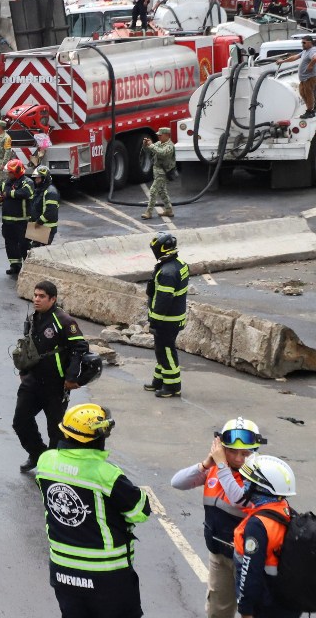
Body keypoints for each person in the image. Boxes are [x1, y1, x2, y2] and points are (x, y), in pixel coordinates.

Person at [36, 404, 151, 618]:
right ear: (98, 437)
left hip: (63, 570)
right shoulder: (106, 475)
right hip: (107, 575)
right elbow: (140, 511)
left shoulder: (45, 462)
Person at [171, 418, 267, 618]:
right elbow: (177, 482)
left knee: (252, 611)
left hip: (249, 559)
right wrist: (207, 463)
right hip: (220, 555)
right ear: (222, 449)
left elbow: (238, 498)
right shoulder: (215, 469)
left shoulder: (259, 478)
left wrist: (222, 465)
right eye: (232, 451)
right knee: (218, 611)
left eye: (246, 453)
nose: (239, 458)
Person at [15, 281, 89, 472]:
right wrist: (24, 372)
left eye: (41, 296)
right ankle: (37, 455)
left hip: (55, 385)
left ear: (52, 299)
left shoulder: (64, 321)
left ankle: (54, 467)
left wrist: (72, 378)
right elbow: (28, 347)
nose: (36, 300)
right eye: (35, 295)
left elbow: (79, 347)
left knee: (55, 430)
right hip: (33, 380)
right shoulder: (34, 318)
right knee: (21, 421)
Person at [234, 454, 300, 618]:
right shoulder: (287, 511)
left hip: (267, 606)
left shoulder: (258, 524)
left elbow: (251, 571)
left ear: (261, 487)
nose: (245, 483)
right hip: (290, 604)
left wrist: (245, 610)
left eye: (249, 481)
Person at [146, 231, 189, 398]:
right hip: (175, 317)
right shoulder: (179, 264)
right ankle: (159, 381)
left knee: (166, 351)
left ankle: (172, 386)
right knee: (161, 350)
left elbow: (163, 300)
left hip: (166, 320)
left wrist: (154, 321)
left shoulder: (167, 272)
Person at [0, 158, 35, 276]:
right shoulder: (6, 183)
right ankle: (15, 265)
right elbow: (1, 192)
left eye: (10, 172)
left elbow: (25, 193)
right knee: (10, 244)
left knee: (24, 245)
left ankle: (29, 267)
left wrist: (9, 194)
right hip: (8, 221)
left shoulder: (27, 182)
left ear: (16, 172)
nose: (8, 174)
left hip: (22, 221)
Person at [142, 128, 177, 219]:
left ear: (167, 135)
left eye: (160, 135)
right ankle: (169, 210)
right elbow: (148, 151)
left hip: (163, 173)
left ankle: (149, 212)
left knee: (153, 191)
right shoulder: (159, 143)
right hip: (157, 171)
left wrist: (151, 145)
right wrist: (145, 145)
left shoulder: (169, 146)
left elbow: (162, 153)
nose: (159, 136)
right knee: (162, 191)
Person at [277, 36, 316, 119]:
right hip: (304, 79)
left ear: (310, 42)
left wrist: (310, 65)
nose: (302, 44)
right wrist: (283, 61)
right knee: (303, 93)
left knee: (308, 94)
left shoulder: (312, 50)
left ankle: (310, 111)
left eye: (304, 42)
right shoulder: (305, 51)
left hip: (309, 78)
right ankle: (310, 109)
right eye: (302, 42)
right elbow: (294, 57)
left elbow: (315, 58)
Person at [29, 166, 60, 247]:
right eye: (35, 178)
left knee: (38, 251)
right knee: (31, 249)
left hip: (46, 227)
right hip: (38, 226)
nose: (36, 180)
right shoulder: (39, 190)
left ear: (44, 178)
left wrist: (39, 222)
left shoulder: (51, 192)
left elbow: (50, 212)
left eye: (38, 178)